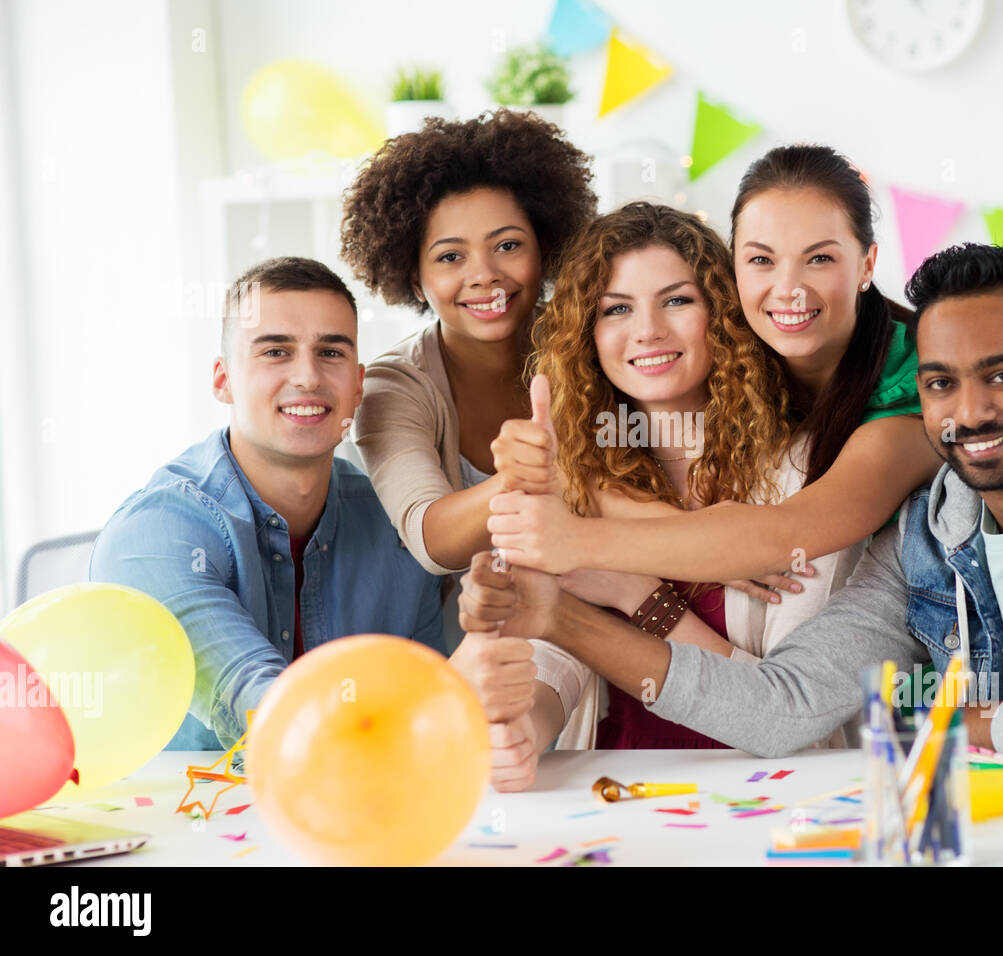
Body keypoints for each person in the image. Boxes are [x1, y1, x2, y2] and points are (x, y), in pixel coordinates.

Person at [461, 243, 1003, 759]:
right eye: (942, 384)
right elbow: (785, 710)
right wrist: (556, 617)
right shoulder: (925, 533)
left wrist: (961, 727)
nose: (972, 411)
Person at [482, 203, 875, 785]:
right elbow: (556, 648)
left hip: (767, 793)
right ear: (586, 334)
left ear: (723, 313)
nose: (648, 330)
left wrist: (637, 593)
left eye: (677, 300)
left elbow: (793, 711)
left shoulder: (802, 475)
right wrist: (523, 732)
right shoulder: (579, 475)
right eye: (616, 309)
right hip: (616, 793)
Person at [486, 144, 940, 592]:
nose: (788, 290)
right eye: (762, 260)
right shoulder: (737, 346)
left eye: (820, 258)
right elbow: (619, 452)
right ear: (731, 272)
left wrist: (574, 539)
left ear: (867, 264)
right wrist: (552, 465)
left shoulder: (921, 397)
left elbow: (784, 536)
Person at [91, 258, 445, 749]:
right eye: (276, 351)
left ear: (358, 383)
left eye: (331, 352)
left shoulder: (395, 527)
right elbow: (256, 701)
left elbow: (430, 711)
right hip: (190, 819)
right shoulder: (154, 534)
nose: (307, 376)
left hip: (365, 811)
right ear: (223, 380)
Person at [339, 108, 596, 657]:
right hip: (471, 664)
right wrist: (519, 477)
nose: (483, 274)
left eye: (507, 245)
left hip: (600, 639)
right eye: (451, 256)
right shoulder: (394, 386)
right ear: (416, 277)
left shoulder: (598, 345)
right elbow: (433, 540)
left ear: (544, 248)